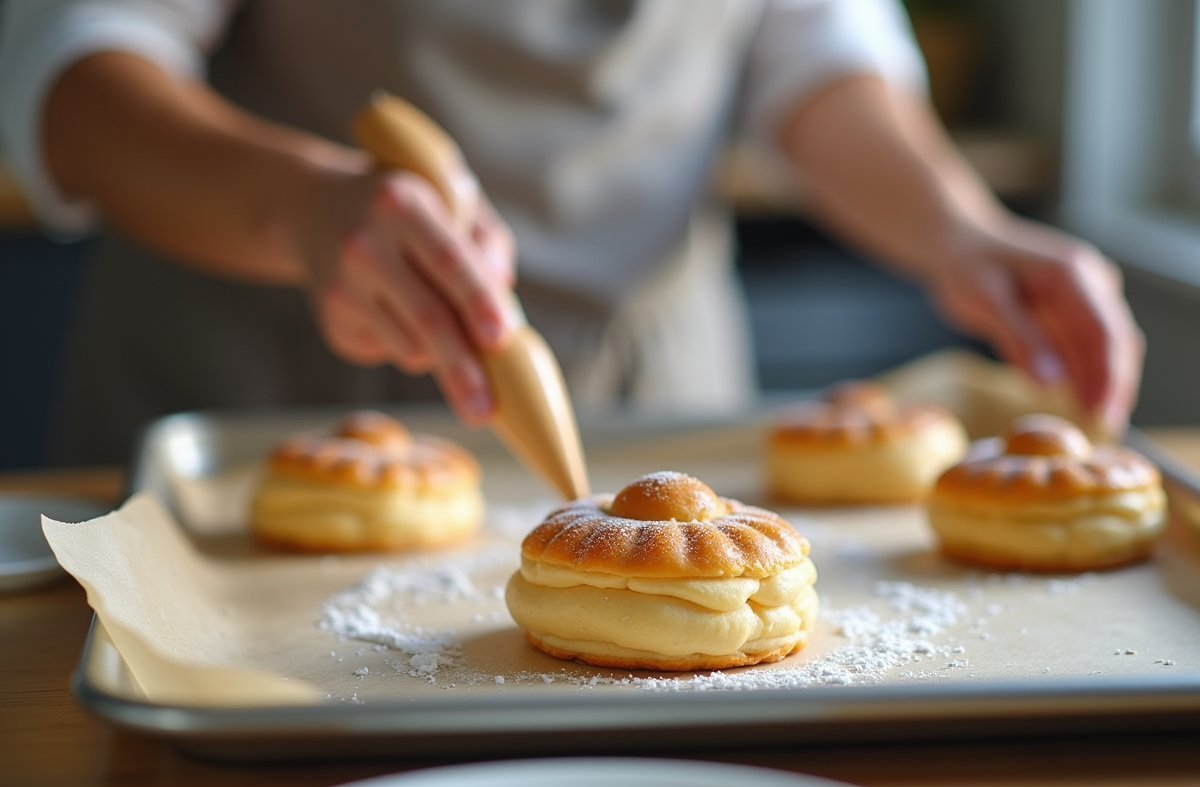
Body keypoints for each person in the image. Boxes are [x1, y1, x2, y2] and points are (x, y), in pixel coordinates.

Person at [0, 0, 1143, 465]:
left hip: (661, 393)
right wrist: (302, 205)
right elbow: (78, 73)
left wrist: (961, 230)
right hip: (262, 377)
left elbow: (817, 55)